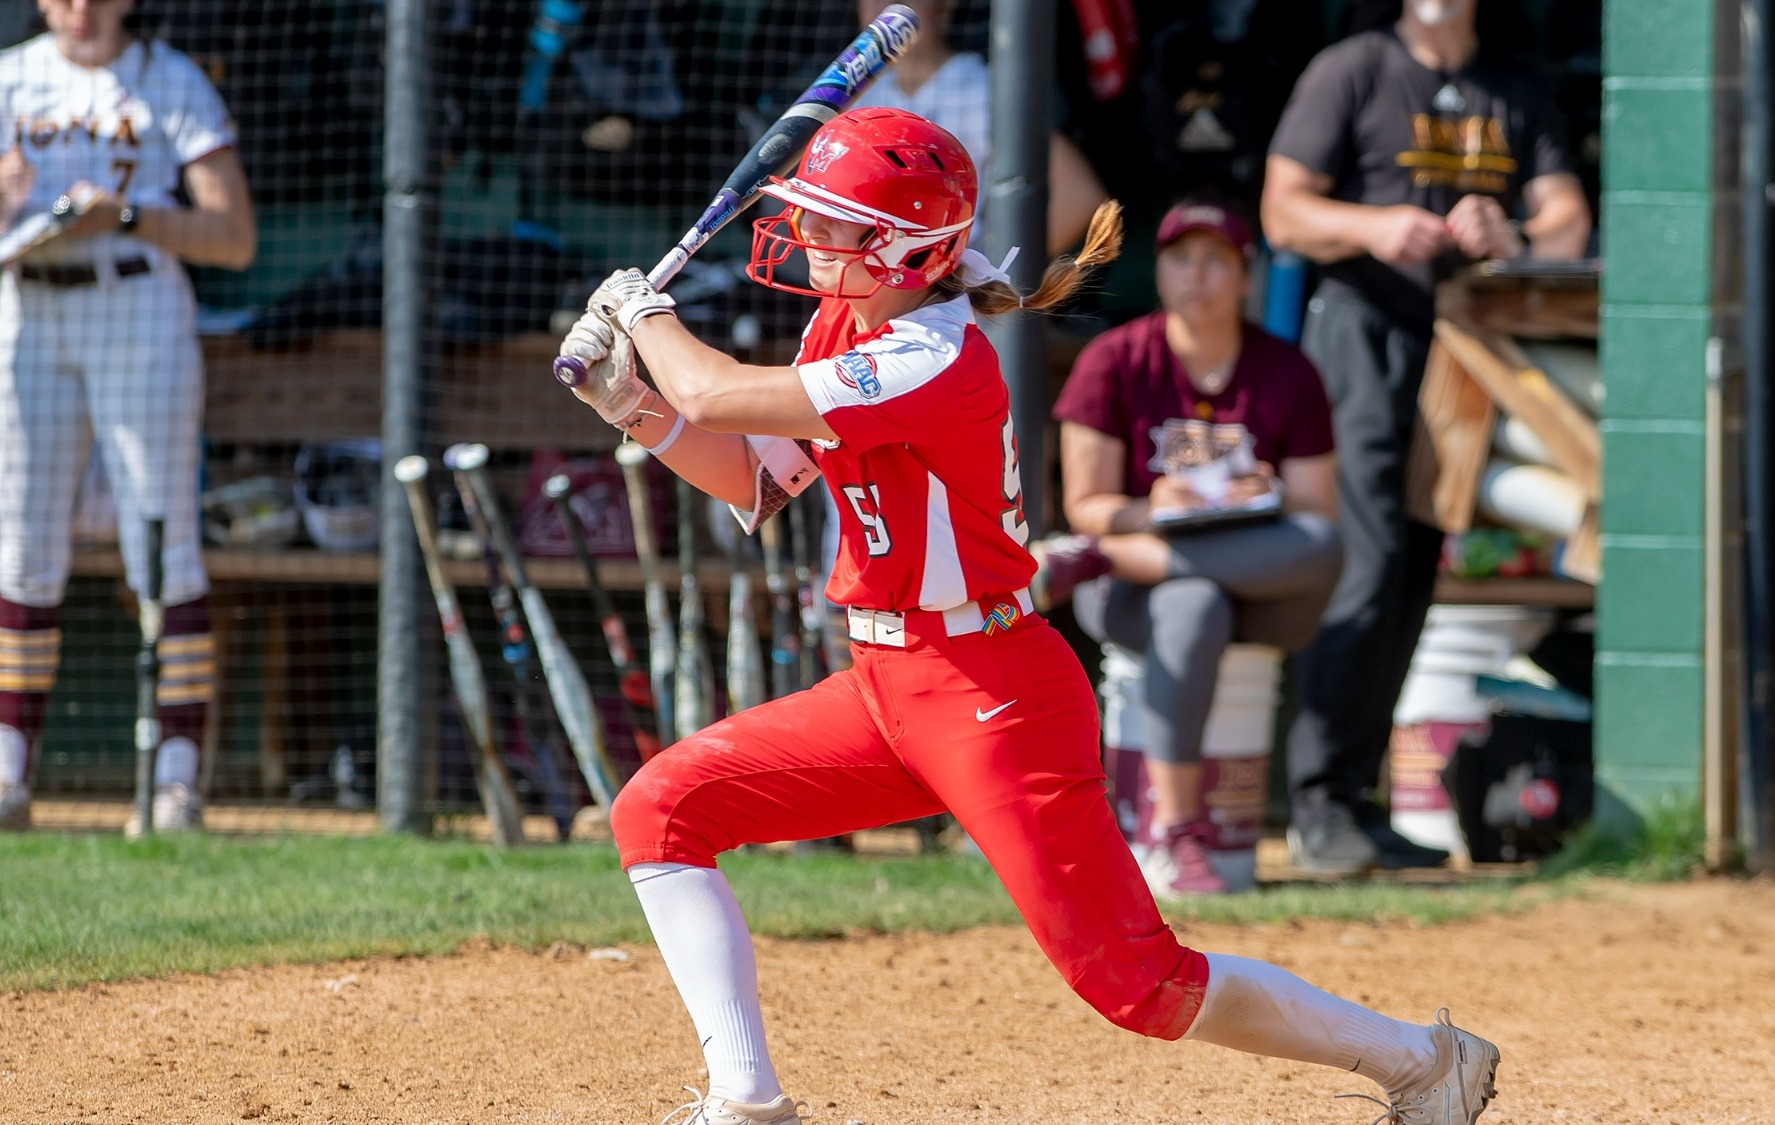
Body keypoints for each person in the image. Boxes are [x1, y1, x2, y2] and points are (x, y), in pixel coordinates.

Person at [552, 107, 1500, 1125]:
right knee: (660, 811)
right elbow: (751, 478)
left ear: (905, 250)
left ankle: (1422, 1061)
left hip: (991, 694)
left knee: (1139, 985)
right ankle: (746, 1103)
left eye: (833, 225)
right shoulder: (844, 325)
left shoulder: (934, 357)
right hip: (883, 684)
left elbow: (720, 390)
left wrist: (642, 311)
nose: (807, 240)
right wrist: (632, 410)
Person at [1260, 0, 1590, 874]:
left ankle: (1358, 805)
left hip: (1463, 352)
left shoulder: (1512, 84)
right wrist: (1375, 226)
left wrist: (1512, 232)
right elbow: (1282, 210)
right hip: (1363, 334)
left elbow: (1568, 217)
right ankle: (1319, 806)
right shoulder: (1355, 68)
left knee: (1413, 571)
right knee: (1363, 570)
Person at [0, 0, 258, 833]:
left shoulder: (166, 79)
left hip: (136, 299)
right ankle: (7, 771)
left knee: (163, 541)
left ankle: (176, 781)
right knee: (21, 549)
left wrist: (130, 213)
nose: (79, 9)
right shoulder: (11, 78)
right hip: (29, 312)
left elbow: (234, 236)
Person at [1039, 201, 1343, 897]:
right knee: (1192, 603)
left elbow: (1315, 511)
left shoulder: (1287, 370)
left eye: (1216, 260)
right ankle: (1179, 834)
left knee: (1322, 542)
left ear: (1246, 276)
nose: (1196, 275)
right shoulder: (1114, 359)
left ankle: (1099, 558)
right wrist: (1152, 507)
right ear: (1160, 271)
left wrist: (1259, 490)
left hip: (1258, 581)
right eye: (1181, 258)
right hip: (1138, 591)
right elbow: (1089, 506)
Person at [852, 0, 1109, 256]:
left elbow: (1081, 197)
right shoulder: (855, 93)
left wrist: (990, 281)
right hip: (866, 272)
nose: (884, 8)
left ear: (945, 6)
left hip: (947, 277)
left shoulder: (983, 88)